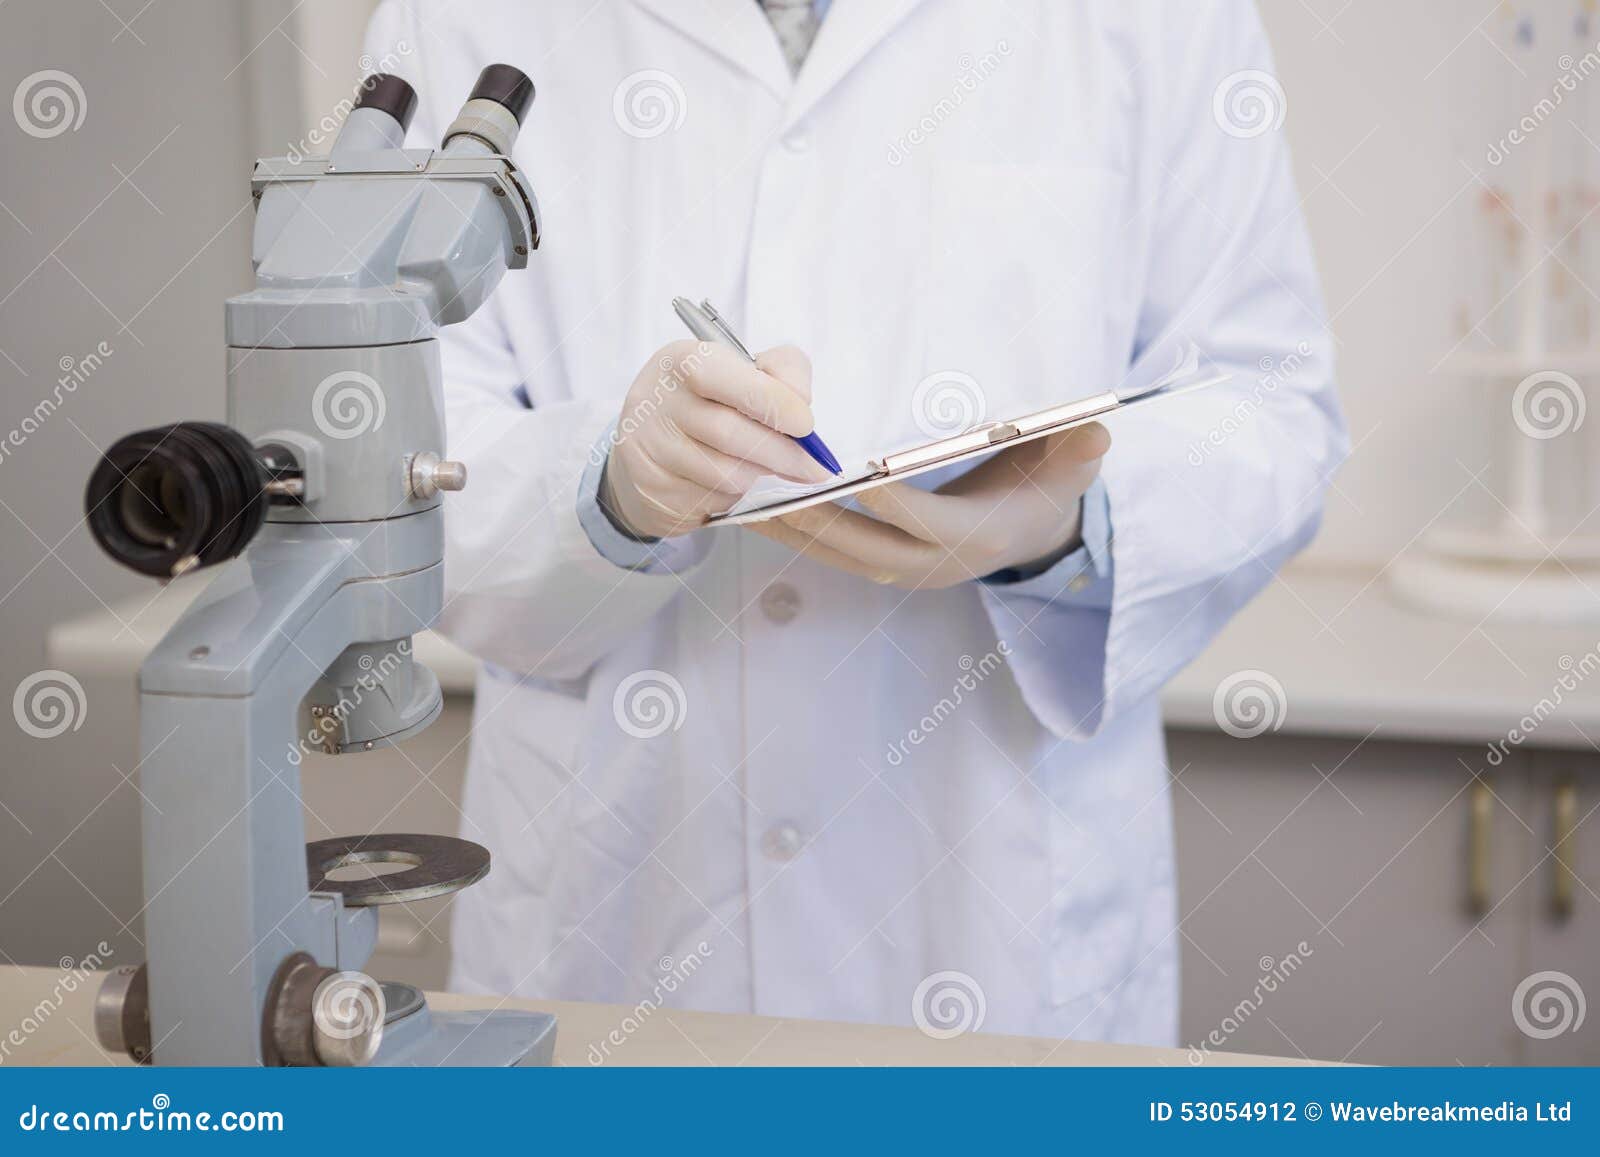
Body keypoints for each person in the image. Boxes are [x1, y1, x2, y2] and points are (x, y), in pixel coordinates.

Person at [361, 0, 1346, 1046]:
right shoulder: (455, 17)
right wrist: (610, 486)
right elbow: (384, 444)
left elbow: (1271, 401)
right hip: (618, 922)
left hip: (992, 918)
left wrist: (1065, 518)